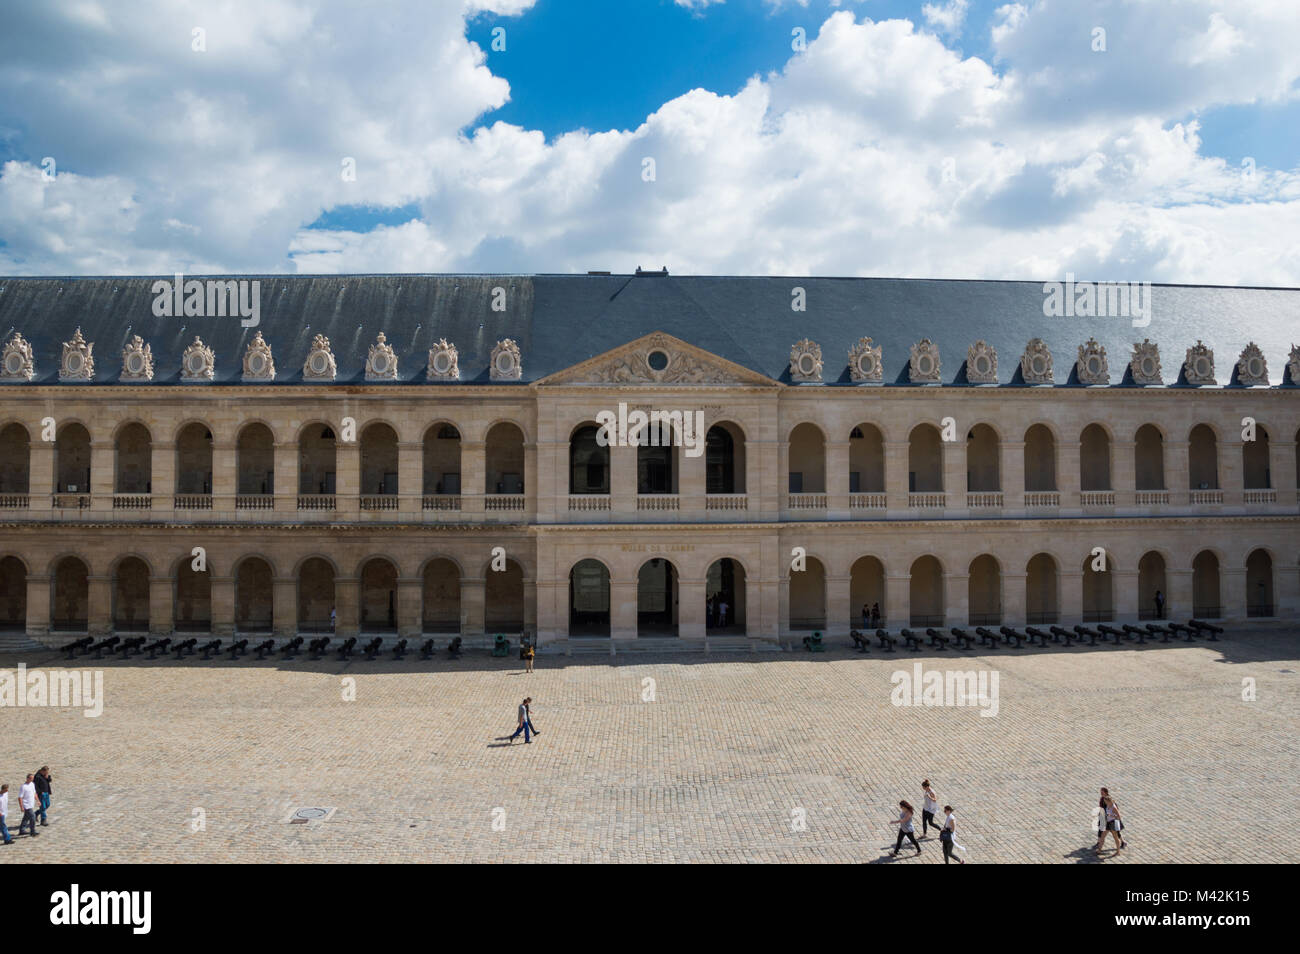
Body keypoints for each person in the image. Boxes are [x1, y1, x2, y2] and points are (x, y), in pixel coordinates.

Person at [1095, 787, 1125, 852]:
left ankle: (1120, 846)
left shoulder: (1112, 805)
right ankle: (1099, 846)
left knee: (1116, 836)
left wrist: (1111, 815)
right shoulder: (1102, 799)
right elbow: (1101, 807)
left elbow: (1118, 815)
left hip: (1113, 822)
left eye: (1102, 792)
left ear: (1106, 792)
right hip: (1106, 820)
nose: (1101, 793)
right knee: (1102, 832)